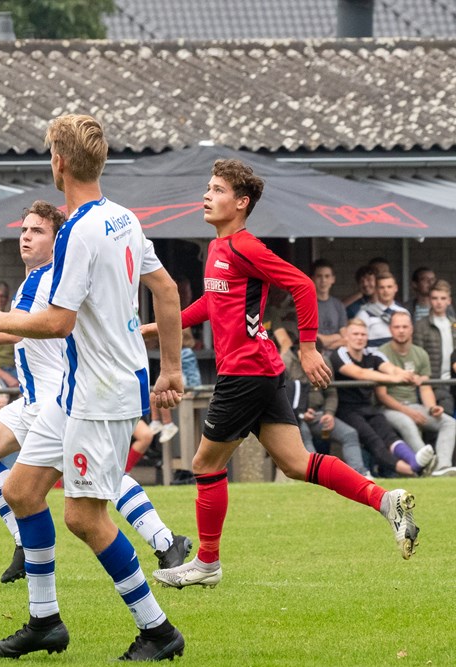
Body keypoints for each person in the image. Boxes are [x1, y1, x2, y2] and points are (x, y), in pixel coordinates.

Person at [0, 115, 186, 661]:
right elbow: (167, 289)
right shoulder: (123, 218)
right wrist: (172, 369)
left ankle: (158, 630)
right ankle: (45, 623)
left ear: (57, 163)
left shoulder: (78, 232)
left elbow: (58, 322)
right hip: (81, 389)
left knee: (84, 516)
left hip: (101, 391)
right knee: (20, 492)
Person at [150, 159, 420, 596]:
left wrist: (310, 346)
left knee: (203, 464)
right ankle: (386, 501)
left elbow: (302, 285)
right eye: (208, 186)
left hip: (245, 375)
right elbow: (212, 304)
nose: (206, 194)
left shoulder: (244, 246)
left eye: (217, 189)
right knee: (296, 464)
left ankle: (207, 562)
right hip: (261, 372)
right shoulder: (218, 247)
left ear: (240, 203)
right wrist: (164, 324)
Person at [0, 200, 190, 590]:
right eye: (24, 230)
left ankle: (165, 542)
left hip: (55, 399)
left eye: (37, 231)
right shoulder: (35, 277)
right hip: (32, 399)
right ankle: (23, 542)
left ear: (57, 239)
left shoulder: (51, 279)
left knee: (98, 484)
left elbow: (18, 329)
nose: (26, 237)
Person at [331, 318, 433, 478]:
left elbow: (391, 369)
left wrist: (407, 375)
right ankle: (413, 469)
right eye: (355, 334)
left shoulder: (373, 353)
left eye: (363, 334)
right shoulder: (340, 353)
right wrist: (394, 379)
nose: (359, 338)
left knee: (389, 435)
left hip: (368, 407)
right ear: (347, 337)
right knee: (374, 440)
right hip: (346, 410)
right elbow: (360, 373)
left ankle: (415, 463)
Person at [376, 311, 452, 476]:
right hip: (390, 408)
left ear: (411, 329)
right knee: (407, 423)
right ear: (390, 329)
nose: (401, 330)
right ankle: (427, 466)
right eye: (397, 327)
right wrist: (408, 412)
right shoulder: (381, 353)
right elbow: (381, 395)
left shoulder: (421, 353)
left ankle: (443, 467)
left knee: (449, 422)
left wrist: (432, 408)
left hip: (415, 405)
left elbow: (425, 388)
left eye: (405, 326)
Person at [280, 345, 370, 478]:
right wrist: (300, 413)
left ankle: (361, 474)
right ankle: (315, 476)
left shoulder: (323, 360)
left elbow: (331, 392)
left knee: (349, 434)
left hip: (319, 413)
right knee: (303, 434)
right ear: (300, 350)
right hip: (293, 415)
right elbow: (282, 395)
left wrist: (329, 413)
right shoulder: (284, 362)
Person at [412, 279, 456, 417]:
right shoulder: (420, 325)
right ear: (429, 300)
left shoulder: (454, 324)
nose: (439, 302)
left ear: (449, 300)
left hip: (453, 380)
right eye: (435, 298)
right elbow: (417, 356)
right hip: (433, 382)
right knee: (444, 415)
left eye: (443, 298)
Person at [357, 272, 409, 347]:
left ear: (396, 288)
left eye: (389, 287)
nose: (386, 291)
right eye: (382, 287)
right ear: (376, 290)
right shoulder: (364, 314)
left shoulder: (404, 312)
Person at [311, 259, 348, 351]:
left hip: (338, 355)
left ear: (333, 279)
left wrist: (323, 342)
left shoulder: (338, 305)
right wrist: (337, 336)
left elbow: (346, 337)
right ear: (312, 279)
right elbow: (311, 339)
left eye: (327, 276)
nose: (323, 280)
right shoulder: (306, 305)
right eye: (319, 276)